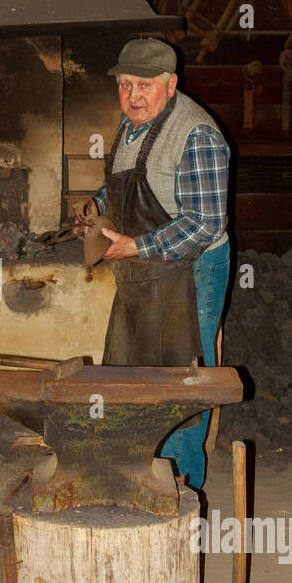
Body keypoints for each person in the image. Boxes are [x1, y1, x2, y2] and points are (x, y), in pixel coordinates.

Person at [75, 37, 231, 491]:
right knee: (137, 369)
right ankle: (144, 477)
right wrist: (96, 203)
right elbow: (123, 183)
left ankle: (181, 494)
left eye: (144, 85)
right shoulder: (132, 123)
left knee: (181, 380)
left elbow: (203, 224)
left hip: (192, 272)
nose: (133, 96)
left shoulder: (196, 135)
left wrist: (137, 246)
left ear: (171, 84)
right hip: (145, 270)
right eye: (125, 85)